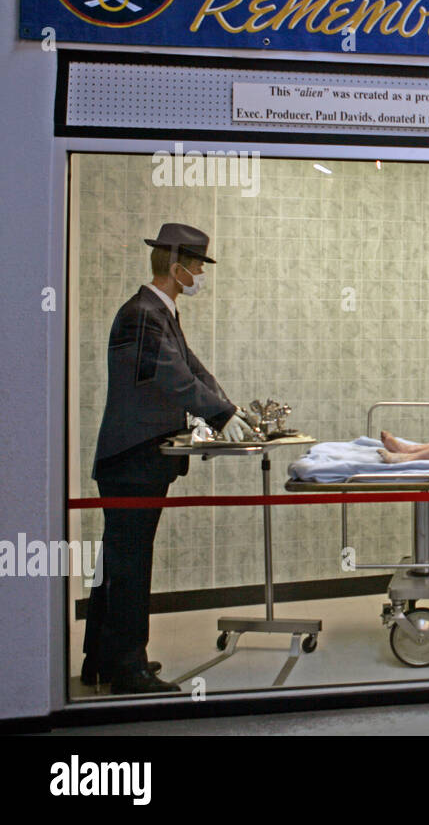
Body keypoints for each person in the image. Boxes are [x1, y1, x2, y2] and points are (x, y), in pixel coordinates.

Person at [84, 224, 254, 695]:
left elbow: (194, 370)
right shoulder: (142, 314)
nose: (201, 272)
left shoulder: (161, 313)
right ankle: (127, 668)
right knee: (130, 563)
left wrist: (231, 409)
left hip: (136, 459)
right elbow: (171, 378)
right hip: (132, 460)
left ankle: (101, 658)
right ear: (178, 269)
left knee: (119, 560)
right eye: (198, 265)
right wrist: (220, 414)